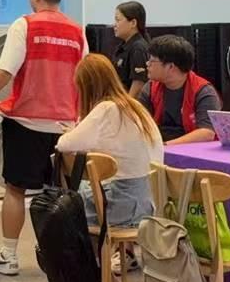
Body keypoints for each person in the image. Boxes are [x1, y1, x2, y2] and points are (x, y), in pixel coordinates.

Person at [0, 0, 87, 277]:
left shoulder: (24, 25)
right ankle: (62, 260)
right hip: (66, 127)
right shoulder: (77, 31)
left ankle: (9, 256)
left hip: (25, 123)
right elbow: (84, 77)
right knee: (64, 196)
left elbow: (6, 69)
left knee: (15, 190)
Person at [56, 54, 161, 228]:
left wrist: (73, 131)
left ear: (86, 88)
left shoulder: (105, 109)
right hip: (147, 201)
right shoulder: (135, 106)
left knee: (67, 205)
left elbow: (63, 144)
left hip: (121, 204)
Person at [140, 34, 222, 144]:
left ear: (171, 67)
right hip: (157, 144)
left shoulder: (203, 91)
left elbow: (207, 132)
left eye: (152, 61)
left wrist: (166, 146)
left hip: (190, 149)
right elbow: (139, 122)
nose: (147, 64)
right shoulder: (150, 88)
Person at [112, 1, 150, 98]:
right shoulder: (122, 46)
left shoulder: (138, 48)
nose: (114, 25)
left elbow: (138, 83)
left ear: (133, 23)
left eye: (118, 20)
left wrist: (127, 105)